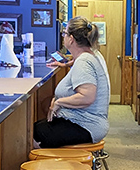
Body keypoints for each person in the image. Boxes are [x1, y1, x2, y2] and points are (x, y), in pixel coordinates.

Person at [34, 17, 109, 147]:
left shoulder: (84, 62)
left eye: (65, 33)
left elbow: (87, 96)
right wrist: (65, 65)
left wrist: (58, 102)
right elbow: (77, 64)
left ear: (71, 39)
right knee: (36, 127)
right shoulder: (86, 56)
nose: (63, 36)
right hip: (81, 121)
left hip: (86, 125)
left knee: (29, 134)